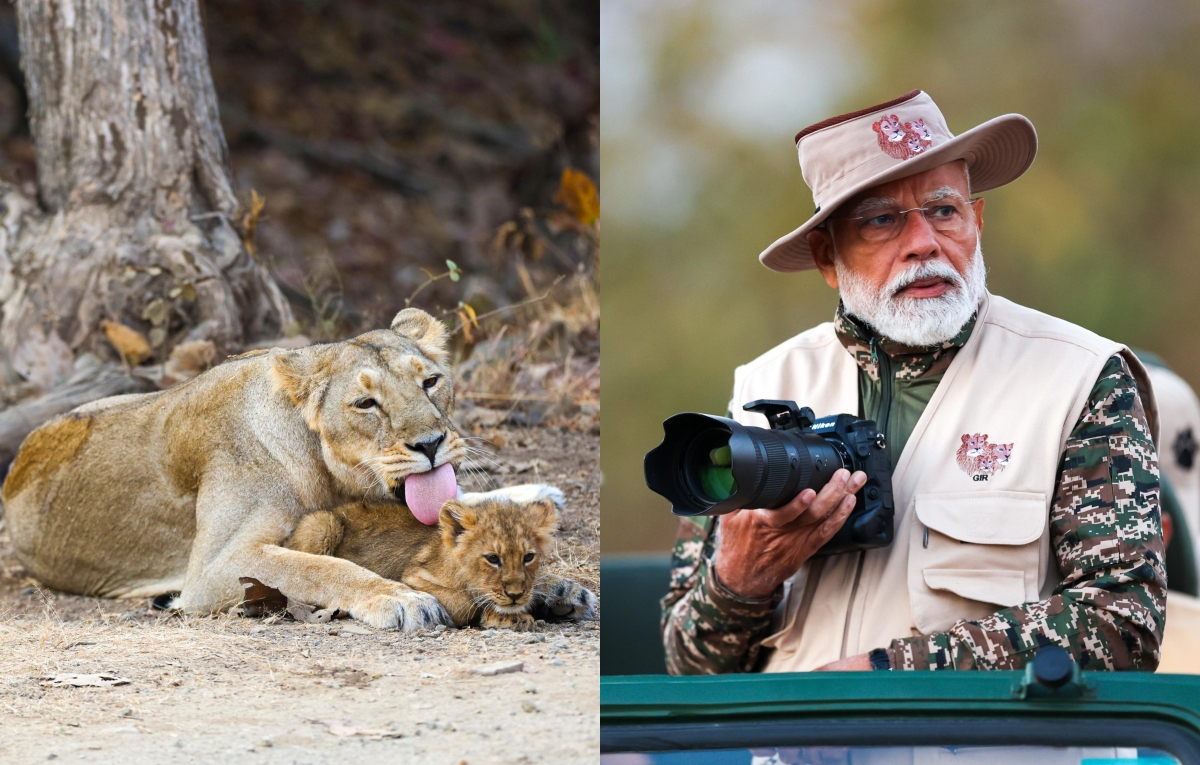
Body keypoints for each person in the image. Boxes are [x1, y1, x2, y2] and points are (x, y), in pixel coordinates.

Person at [661, 90, 1166, 673]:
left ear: (976, 221)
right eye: (882, 220)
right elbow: (686, 665)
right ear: (828, 258)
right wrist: (738, 585)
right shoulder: (758, 390)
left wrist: (888, 675)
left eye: (944, 210)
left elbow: (1124, 623)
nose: (924, 242)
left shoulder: (1080, 376)